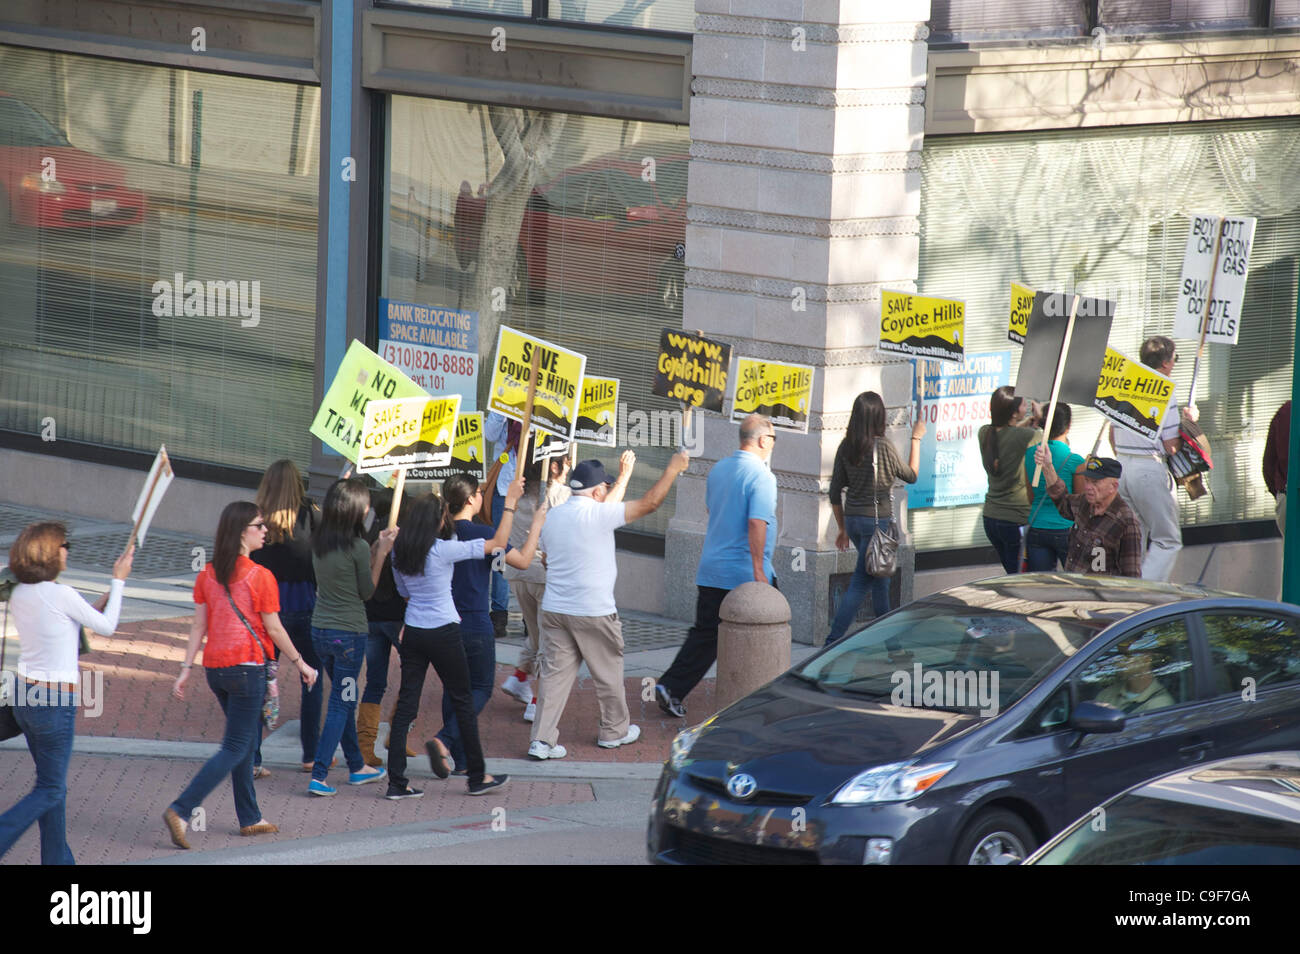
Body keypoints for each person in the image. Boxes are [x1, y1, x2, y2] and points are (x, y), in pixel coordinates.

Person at [165, 503, 318, 849]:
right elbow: (274, 628)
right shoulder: (259, 576)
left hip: (216, 670)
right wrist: (302, 663)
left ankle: (250, 817)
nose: (265, 530)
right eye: (258, 525)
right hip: (246, 669)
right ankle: (182, 808)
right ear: (240, 533)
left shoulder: (207, 574)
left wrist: (186, 669)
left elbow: (198, 625)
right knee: (236, 747)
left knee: (245, 743)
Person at [387, 472, 539, 798]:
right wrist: (510, 503)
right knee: (465, 698)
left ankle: (396, 784)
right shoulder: (443, 550)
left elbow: (404, 594)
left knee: (406, 708)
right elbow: (497, 545)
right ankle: (476, 776)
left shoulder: (399, 553)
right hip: (444, 630)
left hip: (413, 632)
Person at [530, 450, 690, 759]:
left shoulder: (554, 515)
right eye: (605, 488)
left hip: (555, 609)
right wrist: (671, 470)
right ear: (598, 491)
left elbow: (548, 560)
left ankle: (541, 741)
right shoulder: (599, 513)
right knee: (608, 673)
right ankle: (613, 731)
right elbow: (650, 504)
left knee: (553, 677)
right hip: (593, 610)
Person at [0, 525, 133, 865]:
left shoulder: (22, 592)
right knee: (51, 789)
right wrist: (119, 580)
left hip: (24, 697)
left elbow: (68, 620)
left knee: (50, 787)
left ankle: (58, 862)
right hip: (53, 704)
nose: (67, 551)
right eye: (64, 545)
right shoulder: (60, 594)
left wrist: (103, 599)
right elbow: (107, 627)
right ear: (48, 553)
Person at [653, 415, 781, 718]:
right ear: (763, 440)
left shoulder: (719, 468)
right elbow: (756, 522)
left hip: (712, 568)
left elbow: (713, 510)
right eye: (774, 439)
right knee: (773, 631)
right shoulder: (762, 476)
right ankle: (762, 697)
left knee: (706, 635)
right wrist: (759, 570)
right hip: (746, 574)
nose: (774, 445)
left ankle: (672, 686)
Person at [436, 472, 549, 773]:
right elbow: (521, 562)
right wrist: (536, 525)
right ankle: (444, 740)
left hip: (443, 623)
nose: (483, 495)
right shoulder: (483, 534)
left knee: (453, 689)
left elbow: (496, 566)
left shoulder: (440, 534)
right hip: (473, 622)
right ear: (471, 499)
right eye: (480, 492)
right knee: (482, 687)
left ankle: (460, 761)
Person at [306, 478, 397, 796]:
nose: (369, 509)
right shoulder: (357, 547)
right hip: (349, 636)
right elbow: (366, 591)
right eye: (365, 505)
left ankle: (357, 766)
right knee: (340, 704)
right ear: (355, 511)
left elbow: (348, 571)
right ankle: (319, 775)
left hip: (320, 632)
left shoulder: (319, 541)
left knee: (342, 702)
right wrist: (382, 554)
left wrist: (374, 547)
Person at [823, 396, 924, 647]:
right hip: (876, 526)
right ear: (879, 417)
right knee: (860, 583)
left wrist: (843, 529)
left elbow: (835, 491)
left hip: (855, 522)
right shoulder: (884, 447)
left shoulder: (846, 446)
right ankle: (832, 643)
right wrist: (916, 438)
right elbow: (911, 475)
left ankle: (893, 647)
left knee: (881, 580)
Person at [250, 459, 320, 775]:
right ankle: (311, 753)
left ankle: (253, 757)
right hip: (304, 605)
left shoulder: (255, 519)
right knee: (311, 678)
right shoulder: (311, 514)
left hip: (266, 612)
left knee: (260, 680)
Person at [499, 454, 574, 723]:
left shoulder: (517, 493)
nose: (569, 468)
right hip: (544, 575)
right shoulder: (562, 495)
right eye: (566, 463)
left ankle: (520, 677)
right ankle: (536, 701)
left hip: (519, 574)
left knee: (537, 631)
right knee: (549, 641)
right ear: (554, 466)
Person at [1110, 336, 1185, 581]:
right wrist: (1189, 424)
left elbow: (1112, 434)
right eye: (1175, 358)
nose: (1174, 363)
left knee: (1133, 537)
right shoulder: (1165, 390)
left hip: (1121, 464)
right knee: (1167, 539)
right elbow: (1171, 446)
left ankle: (1127, 589)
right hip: (1149, 467)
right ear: (1165, 363)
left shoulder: (1124, 385)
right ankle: (1147, 592)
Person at [359, 488, 414, 767]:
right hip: (398, 618)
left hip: (370, 619)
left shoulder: (369, 538)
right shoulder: (401, 541)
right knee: (411, 677)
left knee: (375, 682)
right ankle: (397, 736)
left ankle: (365, 745)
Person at [1033, 450, 1143, 577]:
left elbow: (1131, 575)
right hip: (1075, 587)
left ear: (1113, 486)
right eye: (1087, 480)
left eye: (1095, 482)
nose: (1088, 487)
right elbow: (1061, 500)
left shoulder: (1125, 521)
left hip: (1100, 593)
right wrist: (1047, 466)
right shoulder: (1084, 502)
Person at [978, 386, 1043, 574]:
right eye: (1024, 405)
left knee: (1012, 573)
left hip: (991, 517)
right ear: (1014, 413)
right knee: (1022, 578)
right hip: (1015, 519)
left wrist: (1027, 422)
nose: (1027, 408)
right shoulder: (1027, 436)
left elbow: (1007, 433)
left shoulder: (985, 433)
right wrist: (1041, 419)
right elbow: (1053, 440)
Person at [1022, 404, 1085, 571]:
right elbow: (1079, 504)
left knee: (1042, 586)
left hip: (1037, 526)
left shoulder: (1030, 454)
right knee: (1076, 582)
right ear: (1069, 425)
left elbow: (1031, 497)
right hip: (1066, 529)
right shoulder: (1076, 461)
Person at [484, 411, 522, 639]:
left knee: (532, 550)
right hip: (503, 489)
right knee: (500, 550)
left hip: (533, 487)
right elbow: (489, 434)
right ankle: (499, 615)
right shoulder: (503, 399)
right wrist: (502, 410)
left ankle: (530, 616)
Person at [1094, 650, 1175, 714]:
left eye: (1127, 656)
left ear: (1146, 660)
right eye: (1118, 655)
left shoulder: (1160, 704)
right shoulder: (1107, 694)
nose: (1117, 661)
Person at [1264, 400, 1291, 535]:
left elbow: (1269, 463)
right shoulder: (1287, 411)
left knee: (1293, 554)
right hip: (1288, 494)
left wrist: (1280, 493)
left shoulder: (1286, 411)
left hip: (1288, 497)